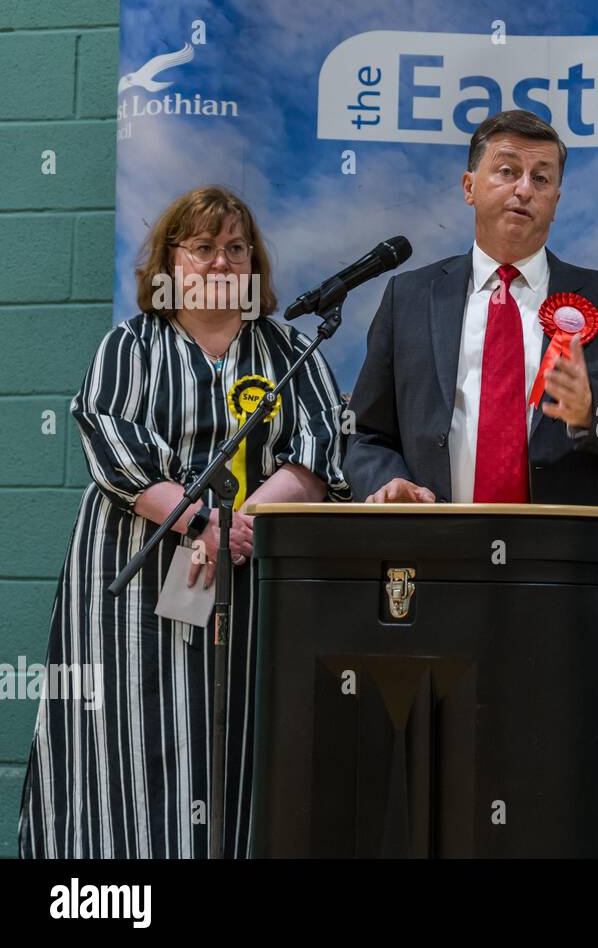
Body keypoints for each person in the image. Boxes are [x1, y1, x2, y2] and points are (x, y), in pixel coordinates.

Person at [17, 185, 351, 858]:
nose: (221, 263)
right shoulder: (130, 346)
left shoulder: (288, 350)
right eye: (202, 248)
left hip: (252, 567)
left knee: (237, 732)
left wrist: (241, 522)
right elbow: (112, 448)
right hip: (135, 566)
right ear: (170, 262)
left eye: (236, 249)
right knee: (134, 737)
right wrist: (199, 521)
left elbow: (315, 454)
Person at [343, 109, 598, 508]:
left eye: (541, 178)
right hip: (434, 547)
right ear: (469, 187)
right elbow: (365, 434)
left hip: (565, 559)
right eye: (506, 171)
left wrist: (594, 409)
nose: (524, 189)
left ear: (555, 200)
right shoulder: (408, 297)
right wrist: (389, 480)